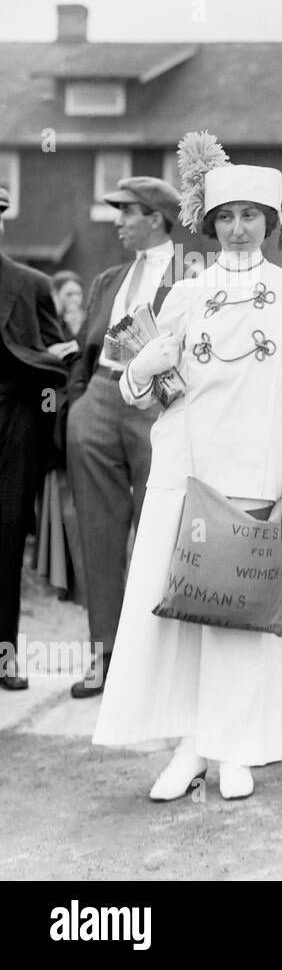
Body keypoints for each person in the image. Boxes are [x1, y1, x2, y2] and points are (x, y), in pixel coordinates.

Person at [92, 138, 282, 801]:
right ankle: (191, 747)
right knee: (183, 617)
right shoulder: (187, 293)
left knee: (237, 618)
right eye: (227, 217)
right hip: (183, 474)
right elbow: (140, 394)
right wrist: (143, 366)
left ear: (271, 225)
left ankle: (234, 746)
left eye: (252, 216)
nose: (240, 228)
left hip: (255, 477)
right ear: (210, 224)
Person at [65, 177, 183, 697]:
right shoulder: (109, 278)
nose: (118, 222)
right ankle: (103, 655)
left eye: (127, 212)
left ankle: (152, 661)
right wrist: (76, 403)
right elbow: (81, 346)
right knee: (96, 531)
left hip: (156, 407)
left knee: (159, 529)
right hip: (99, 398)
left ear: (156, 217)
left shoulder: (190, 276)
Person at [0, 186, 67, 691]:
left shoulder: (31, 285)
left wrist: (45, 436)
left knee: (4, 544)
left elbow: (59, 364)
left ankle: (5, 658)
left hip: (11, 430)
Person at [51, 272, 84, 338]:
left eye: (78, 294)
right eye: (69, 294)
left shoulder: (85, 320)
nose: (75, 299)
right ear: (55, 294)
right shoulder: (49, 319)